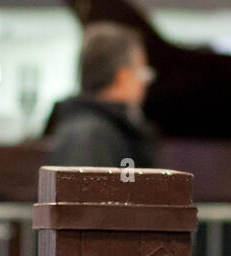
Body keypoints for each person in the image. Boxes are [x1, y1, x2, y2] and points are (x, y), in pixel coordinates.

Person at [43, 23, 158, 168]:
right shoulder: (89, 136)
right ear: (122, 77)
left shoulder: (101, 130)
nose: (144, 84)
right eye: (142, 74)